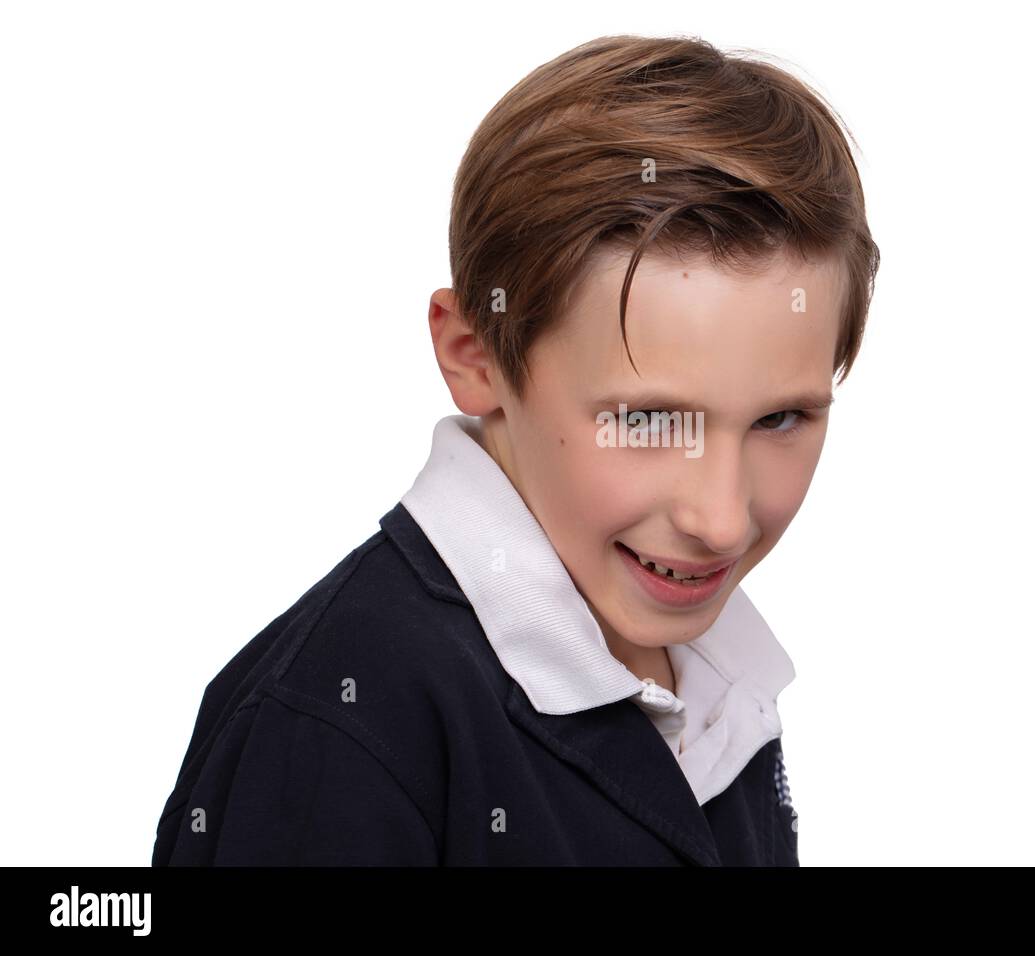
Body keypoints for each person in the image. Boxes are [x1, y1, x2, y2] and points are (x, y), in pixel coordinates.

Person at [152, 33, 880, 866]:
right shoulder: (334, 727)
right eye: (646, 423)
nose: (719, 520)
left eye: (781, 420)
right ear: (475, 356)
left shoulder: (711, 678)